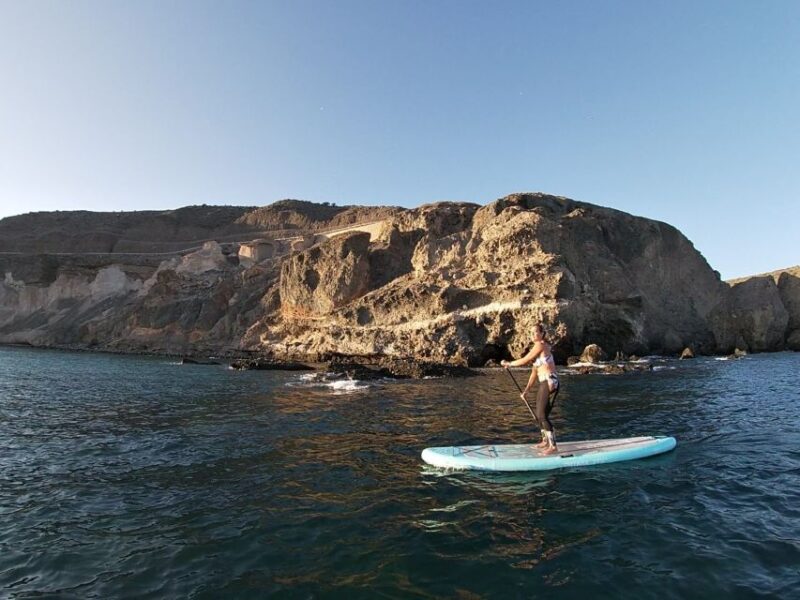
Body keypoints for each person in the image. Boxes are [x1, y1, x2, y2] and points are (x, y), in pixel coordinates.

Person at [501, 323, 560, 454]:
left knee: (542, 415)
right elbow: (534, 373)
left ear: (542, 334)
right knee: (539, 416)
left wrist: (509, 363)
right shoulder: (536, 349)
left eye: (536, 332)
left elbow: (524, 360)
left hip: (550, 381)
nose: (533, 335)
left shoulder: (541, 345)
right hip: (543, 381)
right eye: (531, 333)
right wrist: (526, 391)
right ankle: (545, 441)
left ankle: (553, 446)